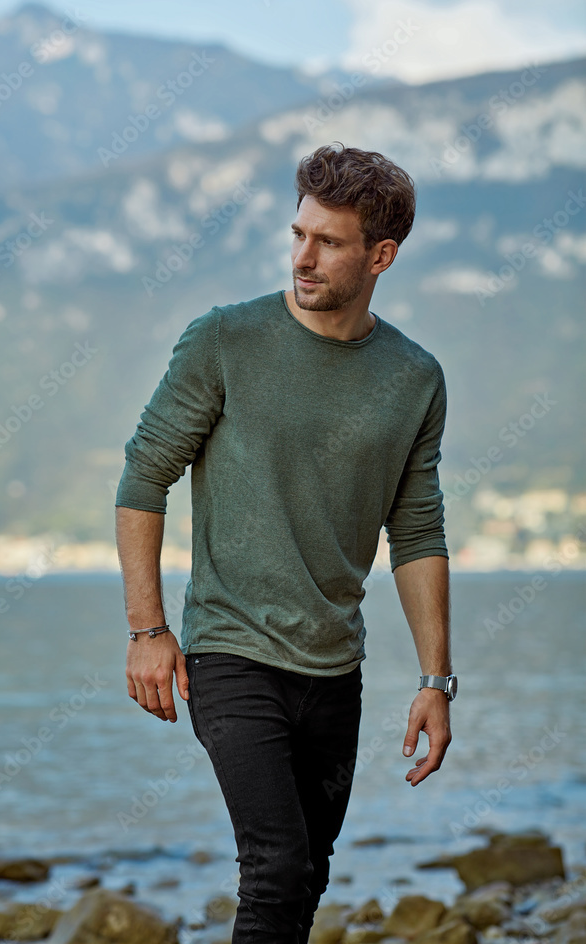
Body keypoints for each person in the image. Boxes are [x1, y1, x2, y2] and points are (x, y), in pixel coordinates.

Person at [115, 143, 456, 943]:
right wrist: (148, 630)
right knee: (274, 866)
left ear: (381, 255)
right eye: (297, 233)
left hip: (334, 666)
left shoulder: (414, 376)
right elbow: (142, 476)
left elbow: (415, 532)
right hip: (230, 651)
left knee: (307, 873)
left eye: (328, 242)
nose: (302, 256)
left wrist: (436, 678)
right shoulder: (225, 339)